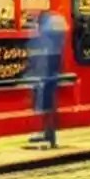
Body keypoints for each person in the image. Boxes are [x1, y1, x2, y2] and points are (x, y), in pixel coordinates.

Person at [28, 8, 68, 148]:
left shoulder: (46, 28)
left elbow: (37, 44)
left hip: (46, 65)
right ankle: (50, 134)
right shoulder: (57, 24)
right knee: (50, 100)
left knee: (45, 100)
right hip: (54, 64)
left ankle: (48, 133)